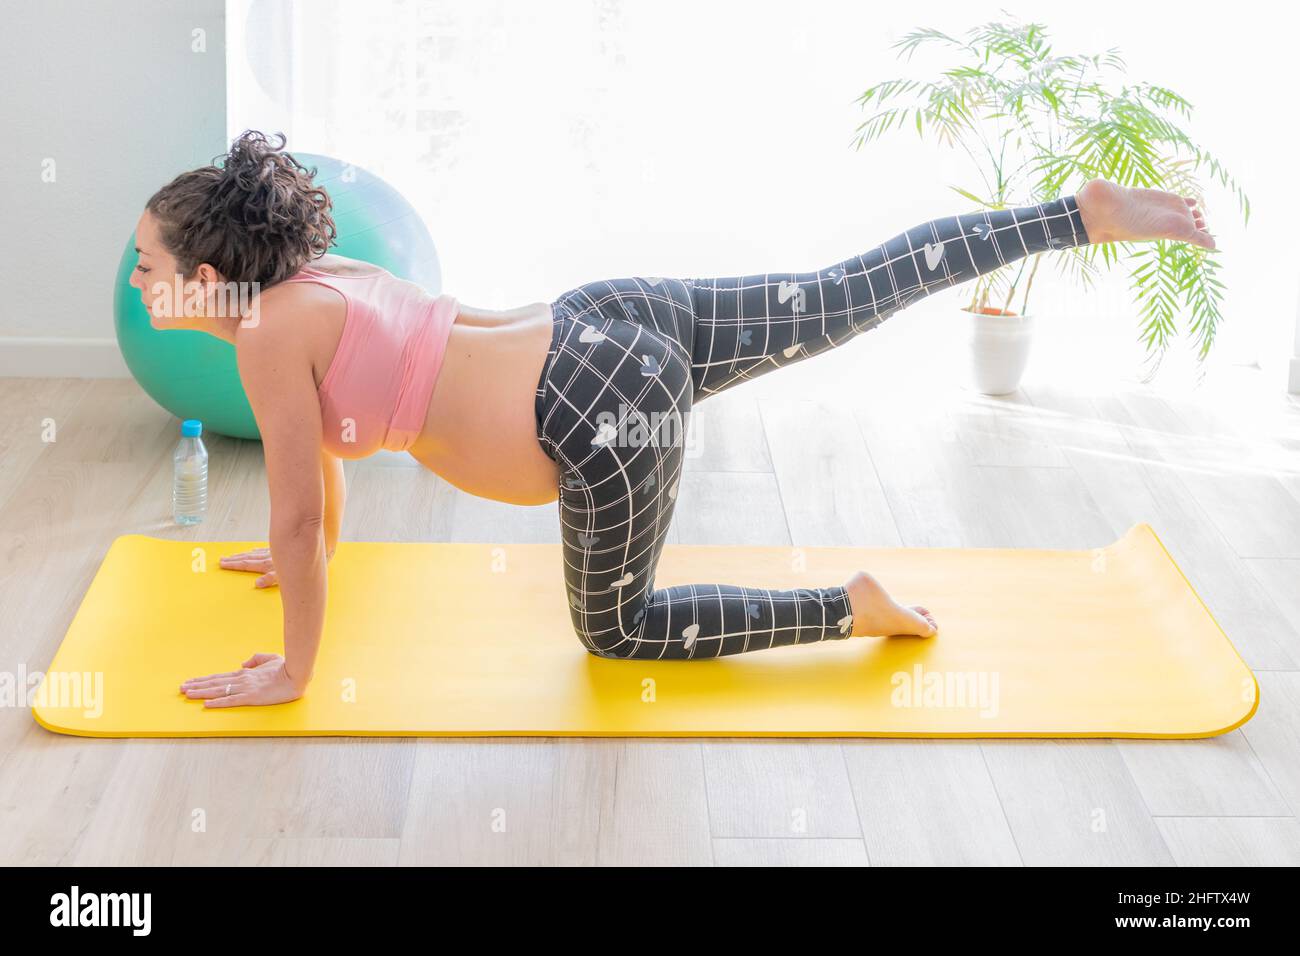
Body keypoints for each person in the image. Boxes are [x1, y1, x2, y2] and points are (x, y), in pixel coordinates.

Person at [145, 131, 1213, 708]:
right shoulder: (314, 278)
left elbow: (291, 503)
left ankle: (850, 607)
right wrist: (320, 547)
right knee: (838, 292)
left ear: (203, 277)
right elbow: (320, 487)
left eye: (145, 266)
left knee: (618, 631)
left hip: (594, 404)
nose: (138, 283)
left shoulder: (269, 338)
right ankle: (1079, 216)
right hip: (604, 315)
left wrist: (295, 667)